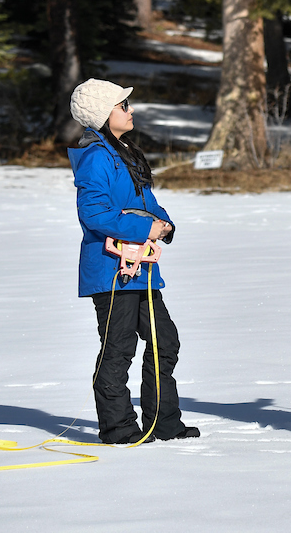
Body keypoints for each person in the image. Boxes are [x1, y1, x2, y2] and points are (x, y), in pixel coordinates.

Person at [67, 78, 199, 444]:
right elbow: (94, 213)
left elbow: (147, 204)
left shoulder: (125, 153)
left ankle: (163, 423)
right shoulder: (96, 158)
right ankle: (118, 428)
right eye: (123, 106)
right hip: (111, 270)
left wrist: (165, 224)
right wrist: (144, 229)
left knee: (164, 341)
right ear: (101, 114)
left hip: (141, 269)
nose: (131, 110)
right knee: (119, 347)